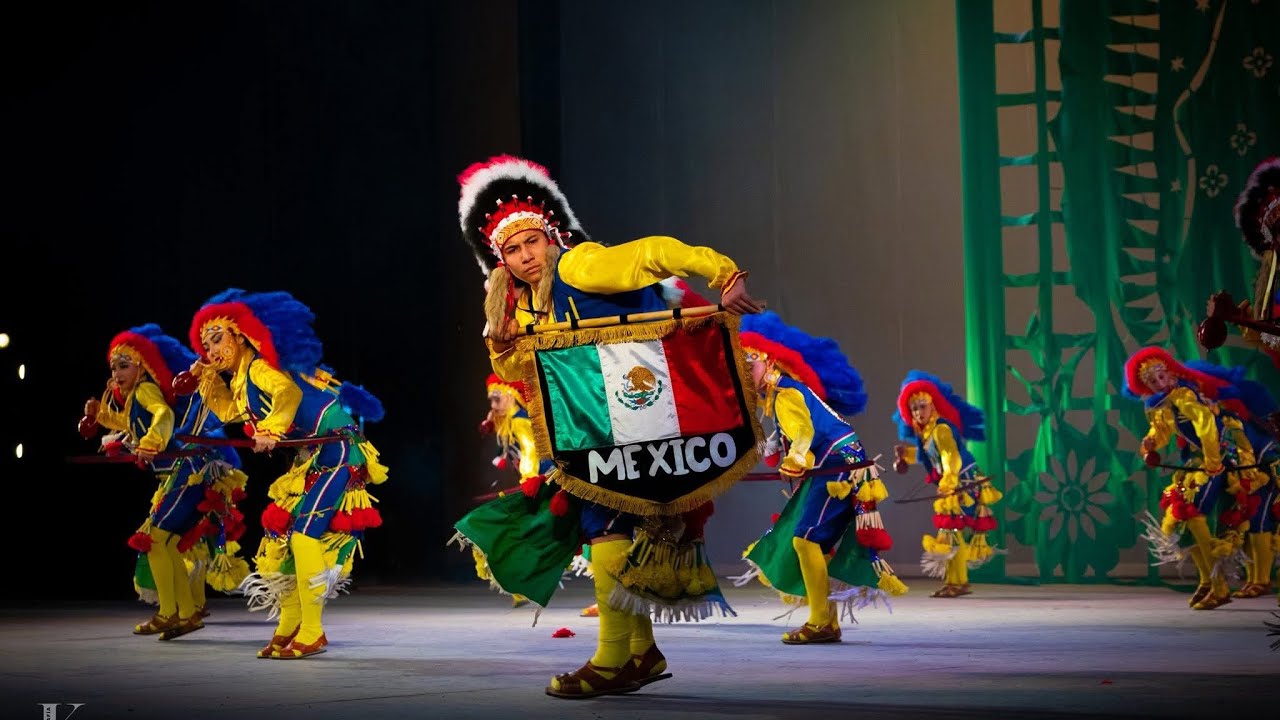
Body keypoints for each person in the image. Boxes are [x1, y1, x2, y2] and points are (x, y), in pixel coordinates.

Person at [457, 155, 763, 698]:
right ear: (499, 259)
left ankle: (612, 660)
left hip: (629, 425)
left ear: (551, 236)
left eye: (533, 242)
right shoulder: (519, 303)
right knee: (605, 530)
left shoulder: (579, 266)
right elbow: (521, 371)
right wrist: (501, 337)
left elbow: (654, 252)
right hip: (588, 432)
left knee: (607, 529)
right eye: (513, 250)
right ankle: (641, 654)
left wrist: (723, 272)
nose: (527, 257)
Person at [186, 289, 387, 657]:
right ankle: (290, 624)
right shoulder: (243, 379)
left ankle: (312, 630)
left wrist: (273, 429)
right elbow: (231, 412)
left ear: (240, 336)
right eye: (205, 345)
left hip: (337, 449)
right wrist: (207, 379)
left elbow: (288, 396)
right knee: (281, 540)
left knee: (305, 538)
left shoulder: (261, 368)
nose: (211, 351)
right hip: (312, 457)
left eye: (217, 339)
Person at [737, 311, 908, 644]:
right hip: (837, 463)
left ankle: (820, 622)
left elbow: (802, 431)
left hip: (836, 467)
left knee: (805, 540)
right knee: (811, 541)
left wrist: (797, 457)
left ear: (769, 362)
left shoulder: (786, 394)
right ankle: (824, 620)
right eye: (741, 367)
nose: (745, 373)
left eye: (750, 364)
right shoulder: (779, 394)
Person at [82, 324, 249, 640]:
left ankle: (172, 613)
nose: (116, 373)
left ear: (141, 366)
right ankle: (182, 613)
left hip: (190, 471)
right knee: (167, 543)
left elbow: (162, 416)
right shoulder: (133, 398)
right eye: (113, 367)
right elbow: (126, 421)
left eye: (123, 365)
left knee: (157, 540)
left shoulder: (146, 391)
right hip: (183, 473)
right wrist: (101, 415)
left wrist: (153, 439)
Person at [1124, 347, 1253, 610]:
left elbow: (1206, 425)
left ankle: (1219, 585)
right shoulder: (1164, 404)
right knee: (1179, 516)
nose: (1159, 383)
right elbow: (1160, 430)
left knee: (1192, 514)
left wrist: (1213, 463)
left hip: (1217, 460)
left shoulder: (1185, 395)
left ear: (1170, 373)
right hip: (1196, 463)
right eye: (1153, 381)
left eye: (1161, 377)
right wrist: (1150, 443)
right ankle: (1207, 580)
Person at [892, 371, 1003, 598]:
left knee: (952, 531)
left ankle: (958, 582)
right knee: (952, 531)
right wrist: (907, 456)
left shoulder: (941, 429)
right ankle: (956, 582)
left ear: (933, 406)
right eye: (914, 408)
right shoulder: (928, 433)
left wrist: (950, 482)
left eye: (922, 406)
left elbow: (950, 457)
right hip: (953, 483)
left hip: (963, 483)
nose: (918, 412)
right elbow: (931, 457)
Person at [1185, 359, 1279, 601]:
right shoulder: (1204, 422)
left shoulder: (1234, 421)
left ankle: (1261, 579)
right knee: (1244, 523)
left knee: (1260, 521)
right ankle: (1249, 579)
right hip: (1240, 477)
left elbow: (1258, 447)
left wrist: (1260, 473)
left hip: (1261, 471)